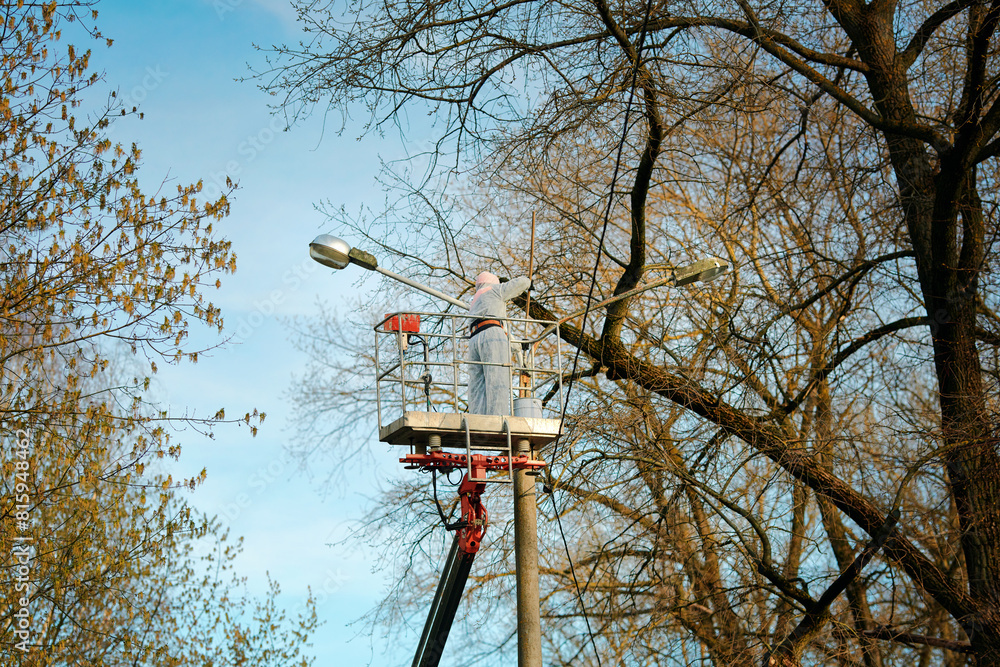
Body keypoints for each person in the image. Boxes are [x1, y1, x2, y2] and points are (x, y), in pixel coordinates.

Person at [467, 271, 531, 415]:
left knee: (477, 385)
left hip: (474, 339)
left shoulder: (475, 301)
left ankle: (477, 418)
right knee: (497, 379)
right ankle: (498, 418)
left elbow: (495, 330)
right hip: (491, 335)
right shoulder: (495, 291)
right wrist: (528, 282)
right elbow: (495, 333)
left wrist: (518, 345)